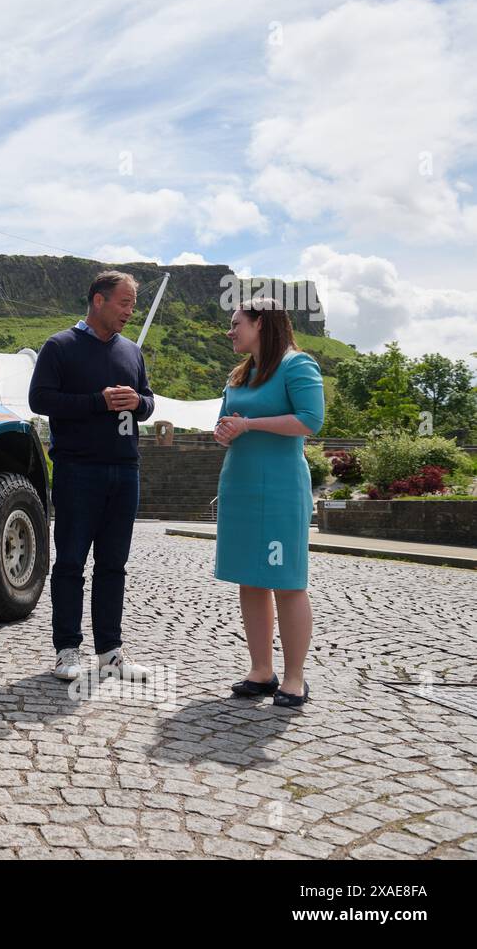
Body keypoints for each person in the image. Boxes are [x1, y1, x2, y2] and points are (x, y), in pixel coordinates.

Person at [28, 270, 155, 683]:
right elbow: (40, 399)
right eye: (124, 303)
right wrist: (95, 403)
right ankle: (67, 650)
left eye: (133, 305)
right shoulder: (60, 346)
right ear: (98, 301)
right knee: (70, 563)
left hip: (125, 469)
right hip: (77, 469)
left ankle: (111, 654)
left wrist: (139, 402)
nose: (129, 312)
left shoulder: (132, 353)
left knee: (113, 564)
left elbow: (149, 403)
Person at [213, 298, 325, 708]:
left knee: (287, 581)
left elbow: (311, 420)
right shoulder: (240, 374)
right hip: (239, 486)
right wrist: (224, 432)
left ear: (261, 323)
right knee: (250, 578)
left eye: (236, 323)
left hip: (278, 491)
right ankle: (261, 670)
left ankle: (295, 679)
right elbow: (228, 421)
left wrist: (249, 425)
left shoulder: (298, 365)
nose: (231, 330)